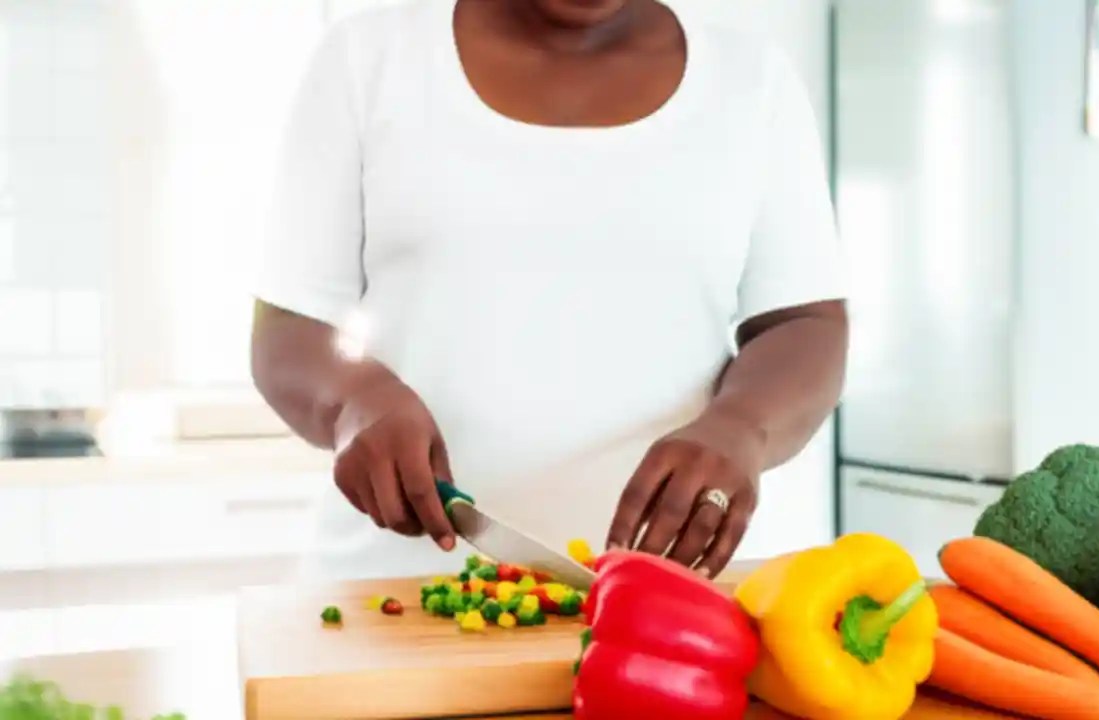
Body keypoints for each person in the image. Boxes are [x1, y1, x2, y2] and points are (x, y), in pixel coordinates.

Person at [250, 0, 849, 582]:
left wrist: (741, 425)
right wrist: (354, 401)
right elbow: (291, 327)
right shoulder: (367, 59)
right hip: (394, 594)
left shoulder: (751, 80)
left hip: (666, 602)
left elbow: (803, 322)